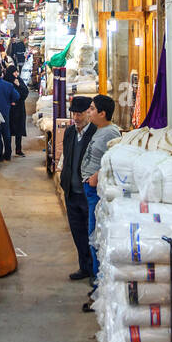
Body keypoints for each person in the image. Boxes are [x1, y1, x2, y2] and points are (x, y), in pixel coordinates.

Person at [78, 94, 120, 312]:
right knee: (92, 235)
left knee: (96, 238)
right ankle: (97, 286)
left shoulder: (111, 133)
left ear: (103, 113)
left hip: (95, 189)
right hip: (90, 187)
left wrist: (96, 175)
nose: (89, 112)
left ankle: (98, 289)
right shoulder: (100, 131)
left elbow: (114, 160)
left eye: (93, 109)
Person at [58, 96, 96, 281]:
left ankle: (93, 270)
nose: (76, 117)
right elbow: (67, 157)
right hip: (71, 192)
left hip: (87, 193)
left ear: (89, 112)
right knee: (77, 232)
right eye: (74, 114)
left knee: (91, 233)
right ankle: (84, 267)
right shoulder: (70, 132)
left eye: (80, 114)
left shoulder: (96, 134)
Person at [4, 66, 29, 156]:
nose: (16, 74)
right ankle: (8, 151)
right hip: (10, 110)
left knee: (19, 129)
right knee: (8, 130)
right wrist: (11, 101)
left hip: (19, 109)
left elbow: (25, 93)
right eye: (14, 72)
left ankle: (18, 149)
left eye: (16, 72)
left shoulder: (19, 80)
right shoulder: (6, 81)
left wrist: (19, 85)